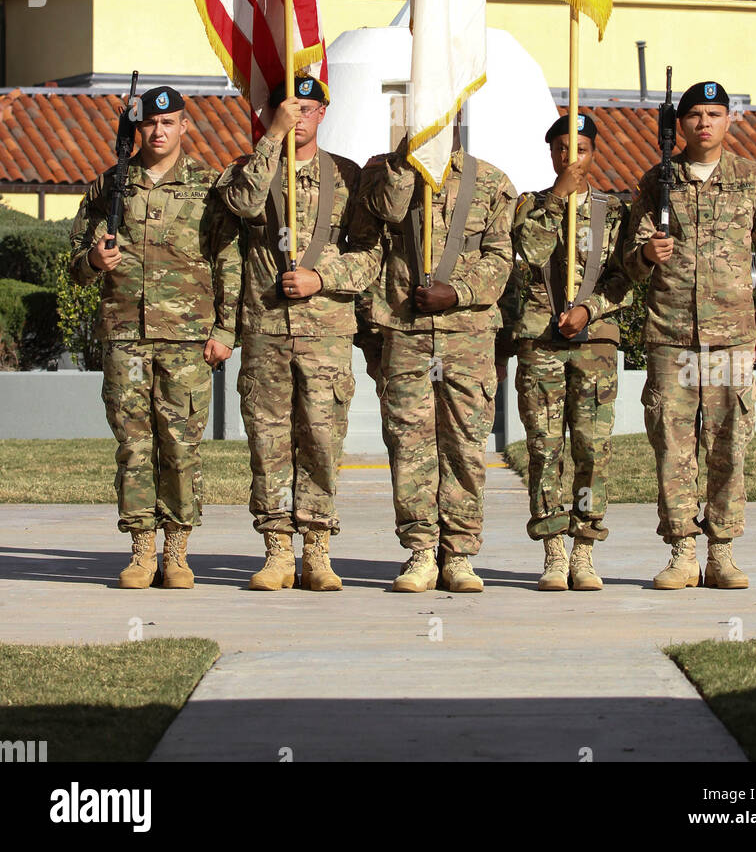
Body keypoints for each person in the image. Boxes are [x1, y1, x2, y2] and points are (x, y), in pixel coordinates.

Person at [69, 86, 241, 589]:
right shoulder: (109, 188)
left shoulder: (209, 189)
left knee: (182, 446)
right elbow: (76, 263)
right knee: (134, 446)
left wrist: (226, 330)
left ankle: (178, 551)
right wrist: (94, 262)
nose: (159, 132)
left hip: (188, 341)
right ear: (137, 130)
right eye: (149, 124)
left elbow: (229, 264)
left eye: (169, 123)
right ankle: (142, 549)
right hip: (126, 339)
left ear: (186, 127)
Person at [216, 77, 382, 592]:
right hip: (265, 327)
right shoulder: (248, 171)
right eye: (290, 109)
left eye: (308, 109)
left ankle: (317, 548)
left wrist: (323, 277)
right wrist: (271, 138)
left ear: (324, 113)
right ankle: (276, 549)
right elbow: (240, 207)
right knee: (268, 441)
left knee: (321, 438)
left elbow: (372, 255)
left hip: (325, 333)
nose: (300, 118)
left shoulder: (348, 178)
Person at [624, 80, 756, 589]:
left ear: (729, 120)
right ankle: (681, 552)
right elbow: (627, 260)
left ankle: (722, 551)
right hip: (671, 335)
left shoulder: (753, 180)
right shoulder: (657, 182)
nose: (704, 124)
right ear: (681, 123)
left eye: (714, 114)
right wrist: (646, 255)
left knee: (729, 444)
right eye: (695, 115)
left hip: (732, 337)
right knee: (673, 446)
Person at [361, 134, 515, 593]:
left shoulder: (489, 181)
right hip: (406, 334)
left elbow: (501, 257)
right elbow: (377, 232)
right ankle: (421, 551)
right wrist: (407, 163)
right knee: (410, 446)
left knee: (465, 445)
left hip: (466, 337)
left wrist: (459, 292)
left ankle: (460, 555)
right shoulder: (382, 172)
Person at [506, 113, 631, 591]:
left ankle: (584, 548)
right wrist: (558, 198)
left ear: (594, 153)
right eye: (561, 148)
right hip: (541, 341)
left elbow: (626, 279)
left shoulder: (613, 212)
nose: (569, 156)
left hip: (594, 344)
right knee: (543, 446)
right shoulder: (531, 206)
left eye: (579, 148)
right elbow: (530, 253)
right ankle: (553, 550)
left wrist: (589, 309)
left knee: (592, 448)